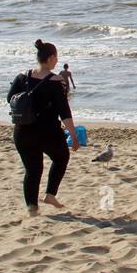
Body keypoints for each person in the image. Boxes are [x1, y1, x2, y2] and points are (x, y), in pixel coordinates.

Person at [7, 40, 80, 216]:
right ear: (51, 58)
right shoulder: (56, 81)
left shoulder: (22, 77)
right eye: (56, 57)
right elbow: (65, 112)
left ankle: (32, 208)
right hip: (48, 132)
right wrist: (74, 136)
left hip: (22, 131)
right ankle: (50, 194)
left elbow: (10, 99)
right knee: (61, 158)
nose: (57, 60)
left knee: (32, 169)